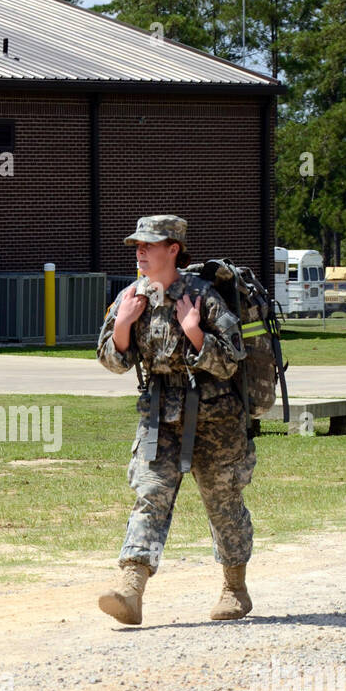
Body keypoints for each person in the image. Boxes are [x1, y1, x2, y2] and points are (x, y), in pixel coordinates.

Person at [96, 215, 253, 625]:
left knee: (223, 502)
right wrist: (125, 323)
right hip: (160, 417)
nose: (141, 252)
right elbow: (112, 360)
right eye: (137, 246)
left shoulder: (203, 297)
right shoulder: (130, 297)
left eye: (149, 245)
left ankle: (234, 588)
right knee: (151, 494)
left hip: (215, 419)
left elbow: (232, 362)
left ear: (174, 249)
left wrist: (194, 331)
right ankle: (131, 590)